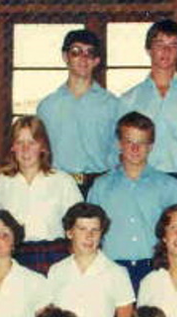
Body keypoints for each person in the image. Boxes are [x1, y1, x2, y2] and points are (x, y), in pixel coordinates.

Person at [87, 112, 177, 291]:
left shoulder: (168, 186)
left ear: (151, 146)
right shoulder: (101, 186)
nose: (135, 149)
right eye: (129, 142)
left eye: (141, 143)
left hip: (155, 271)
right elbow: (90, 232)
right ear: (119, 144)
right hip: (111, 270)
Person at [46, 202, 135, 317]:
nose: (89, 236)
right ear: (69, 232)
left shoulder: (117, 272)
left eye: (95, 230)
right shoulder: (56, 271)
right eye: (82, 229)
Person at [0, 116, 83, 275]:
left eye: (32, 143)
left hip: (55, 259)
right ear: (12, 147)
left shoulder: (62, 181)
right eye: (20, 142)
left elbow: (80, 226)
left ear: (43, 147)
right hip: (15, 258)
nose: (25, 149)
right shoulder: (3, 182)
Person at [118, 19, 177, 179]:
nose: (166, 51)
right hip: (142, 179)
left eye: (173, 45)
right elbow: (120, 149)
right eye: (160, 44)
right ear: (148, 49)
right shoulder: (129, 99)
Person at [36, 28, 120, 194]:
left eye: (89, 53)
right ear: (65, 57)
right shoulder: (47, 106)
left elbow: (119, 150)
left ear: (97, 60)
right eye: (76, 52)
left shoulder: (113, 105)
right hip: (57, 187)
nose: (83, 58)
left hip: (100, 187)